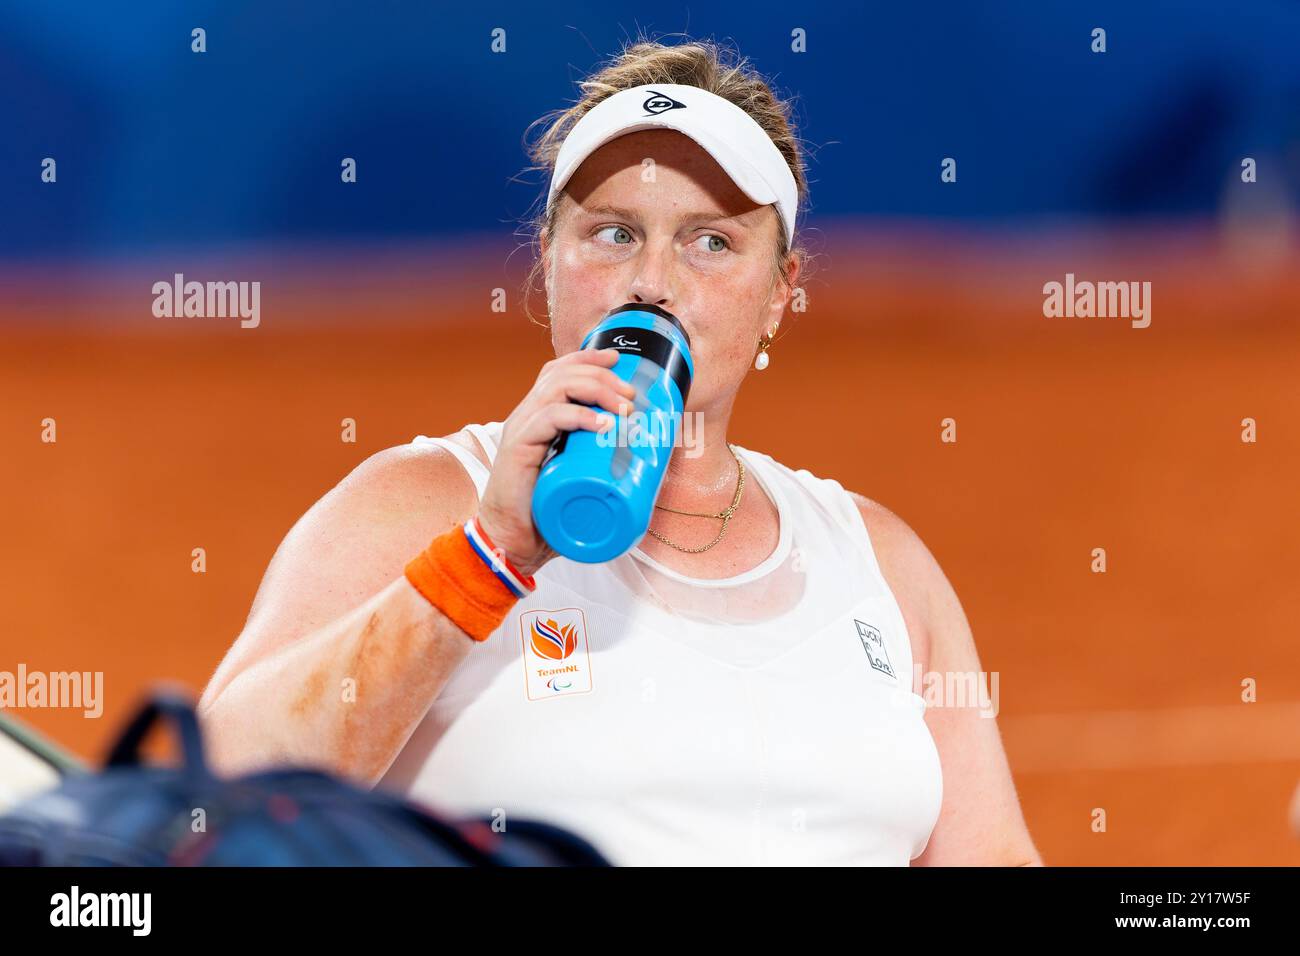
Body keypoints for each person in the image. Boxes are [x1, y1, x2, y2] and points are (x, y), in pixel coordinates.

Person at [198, 37, 1042, 866]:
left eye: (711, 241)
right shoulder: (421, 504)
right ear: (549, 261)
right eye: (613, 234)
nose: (654, 281)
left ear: (781, 292)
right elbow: (215, 800)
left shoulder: (879, 563)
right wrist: (489, 556)